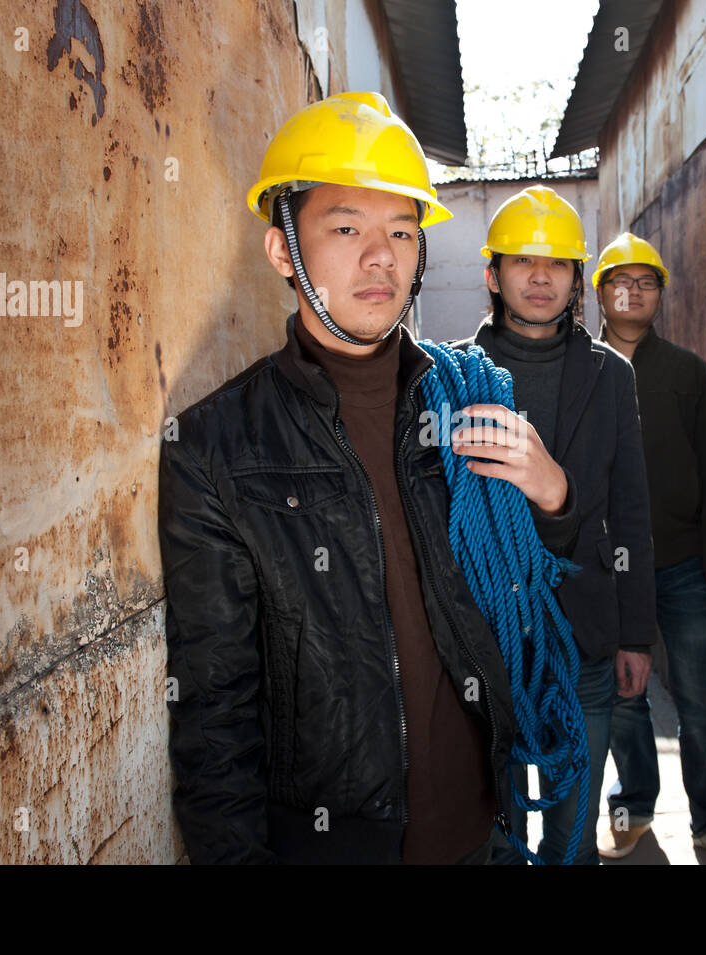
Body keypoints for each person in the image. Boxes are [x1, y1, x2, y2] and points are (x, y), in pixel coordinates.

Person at [157, 92, 580, 864]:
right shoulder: (214, 446)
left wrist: (554, 498)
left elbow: (530, 586)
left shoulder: (462, 398)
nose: (380, 257)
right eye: (346, 227)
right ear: (283, 249)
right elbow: (213, 710)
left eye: (401, 230)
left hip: (483, 832)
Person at [451, 187, 658, 865]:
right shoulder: (448, 377)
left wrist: (635, 635)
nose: (540, 276)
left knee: (572, 838)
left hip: (586, 641)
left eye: (559, 264)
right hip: (485, 649)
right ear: (493, 275)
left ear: (576, 281)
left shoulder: (611, 376)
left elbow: (631, 512)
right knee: (495, 838)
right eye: (523, 261)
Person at [592, 233, 706, 865]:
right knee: (625, 701)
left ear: (661, 294)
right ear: (601, 291)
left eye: (646, 280)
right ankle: (631, 810)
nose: (632, 290)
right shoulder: (584, 365)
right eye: (618, 280)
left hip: (686, 562)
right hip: (609, 570)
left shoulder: (687, 372)